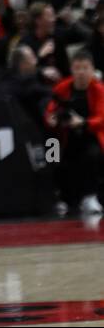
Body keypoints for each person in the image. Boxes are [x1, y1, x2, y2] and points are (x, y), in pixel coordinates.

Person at [44, 51, 104, 214]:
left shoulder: (99, 90)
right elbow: (51, 109)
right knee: (51, 155)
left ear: (92, 70)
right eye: (77, 68)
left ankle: (90, 197)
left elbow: (101, 119)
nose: (81, 72)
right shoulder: (62, 87)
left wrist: (83, 123)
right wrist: (51, 119)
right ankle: (59, 198)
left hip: (90, 136)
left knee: (91, 156)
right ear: (71, 69)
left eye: (85, 68)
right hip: (61, 137)